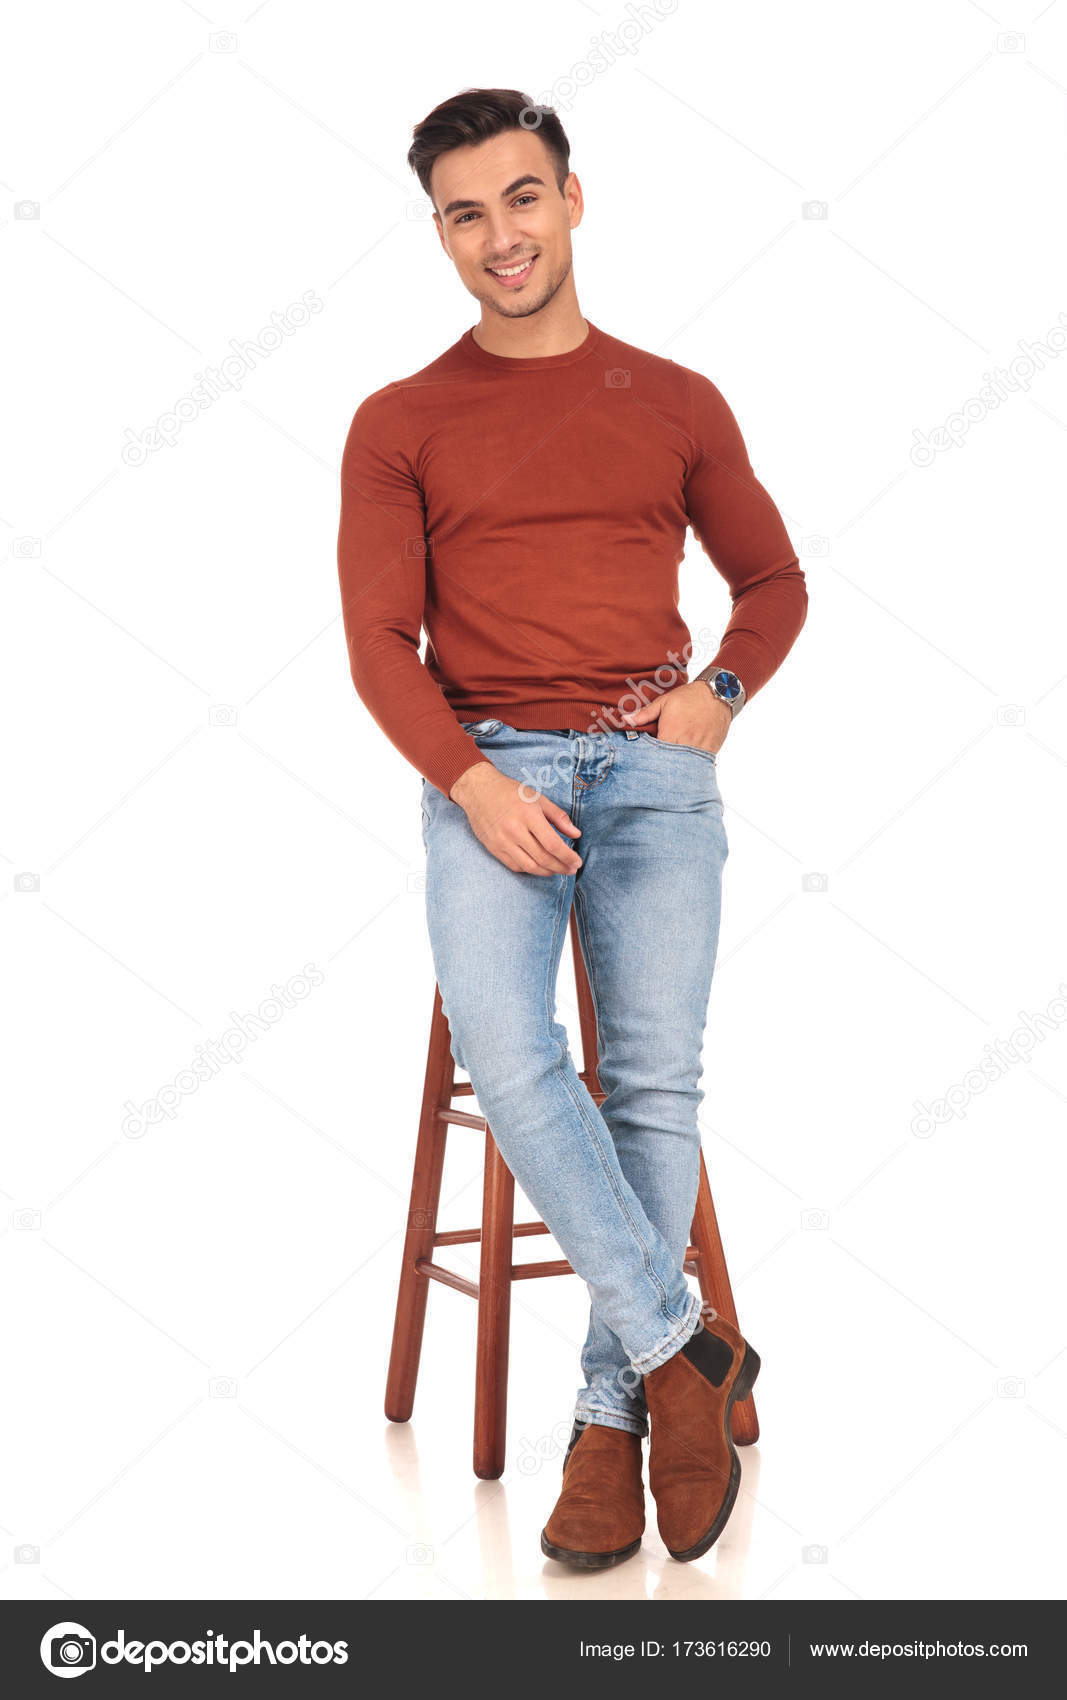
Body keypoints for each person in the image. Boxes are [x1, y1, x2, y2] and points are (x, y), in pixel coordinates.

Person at [336, 87, 807, 1568]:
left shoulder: (674, 397)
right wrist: (474, 784)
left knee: (653, 1082)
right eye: (467, 214)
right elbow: (374, 644)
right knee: (508, 1050)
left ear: (572, 201)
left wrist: (718, 693)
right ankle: (687, 1350)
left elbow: (773, 583)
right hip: (491, 771)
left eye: (521, 199)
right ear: (441, 236)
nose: (501, 235)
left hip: (654, 766)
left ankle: (615, 1411)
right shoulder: (399, 420)